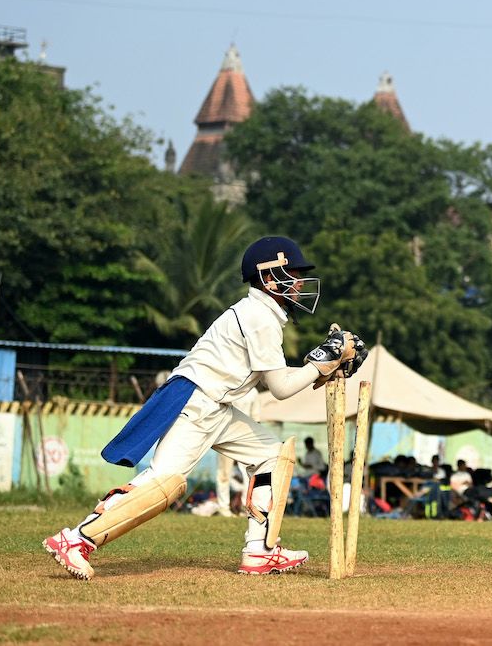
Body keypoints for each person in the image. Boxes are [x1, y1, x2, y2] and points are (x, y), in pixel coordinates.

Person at [42, 236, 367, 579]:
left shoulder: (262, 313)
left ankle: (260, 551)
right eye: (293, 273)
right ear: (269, 278)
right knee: (164, 484)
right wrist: (322, 362)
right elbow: (282, 389)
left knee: (273, 455)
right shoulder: (259, 316)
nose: (300, 282)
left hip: (217, 405)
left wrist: (321, 364)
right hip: (198, 402)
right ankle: (75, 540)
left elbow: (277, 377)